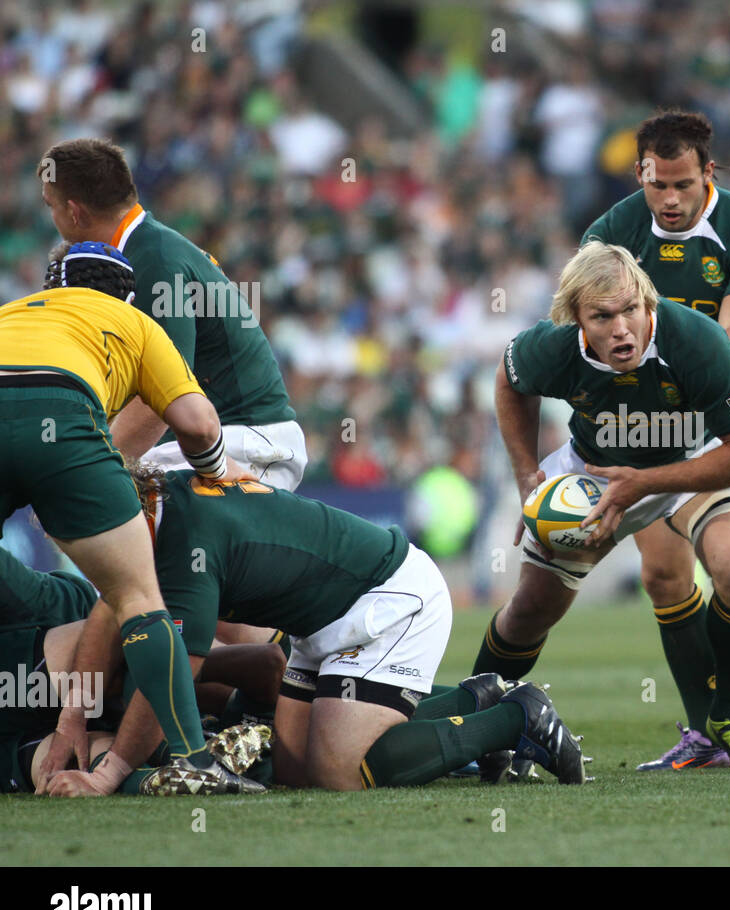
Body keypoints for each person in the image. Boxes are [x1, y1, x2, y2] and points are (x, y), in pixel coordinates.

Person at [45, 460, 587, 795]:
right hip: (326, 619)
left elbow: (170, 680)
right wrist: (73, 718)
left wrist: (107, 774)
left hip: (386, 600)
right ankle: (476, 699)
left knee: (339, 772)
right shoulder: (162, 506)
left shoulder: (183, 546)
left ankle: (517, 718)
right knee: (296, 769)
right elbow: (111, 610)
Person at [471, 240, 730, 774]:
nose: (622, 329)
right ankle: (476, 732)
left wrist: (646, 483)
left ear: (648, 303)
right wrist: (527, 475)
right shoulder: (551, 347)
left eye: (632, 310)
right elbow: (509, 380)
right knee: (530, 609)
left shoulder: (695, 340)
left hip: (695, 463)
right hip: (594, 472)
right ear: (575, 320)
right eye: (603, 316)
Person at [0, 241, 263, 796]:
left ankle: (228, 702)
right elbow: (197, 423)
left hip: (46, 638)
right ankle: (194, 757)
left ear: (52, 289)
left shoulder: (13, 314)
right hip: (65, 414)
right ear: (127, 295)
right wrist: (219, 477)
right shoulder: (135, 323)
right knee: (138, 597)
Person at [581, 110, 730, 771]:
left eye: (682, 184)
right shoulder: (610, 235)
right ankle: (707, 736)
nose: (669, 201)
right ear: (639, 173)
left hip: (727, 426)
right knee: (663, 575)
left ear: (709, 172)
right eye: (656, 185)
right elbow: (584, 333)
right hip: (647, 430)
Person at [38, 137, 304, 490]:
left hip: (245, 441)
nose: (52, 217)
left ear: (75, 212)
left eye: (51, 205)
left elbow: (161, 398)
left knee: (91, 507)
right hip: (216, 439)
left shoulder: (152, 260)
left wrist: (80, 476)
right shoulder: (147, 247)